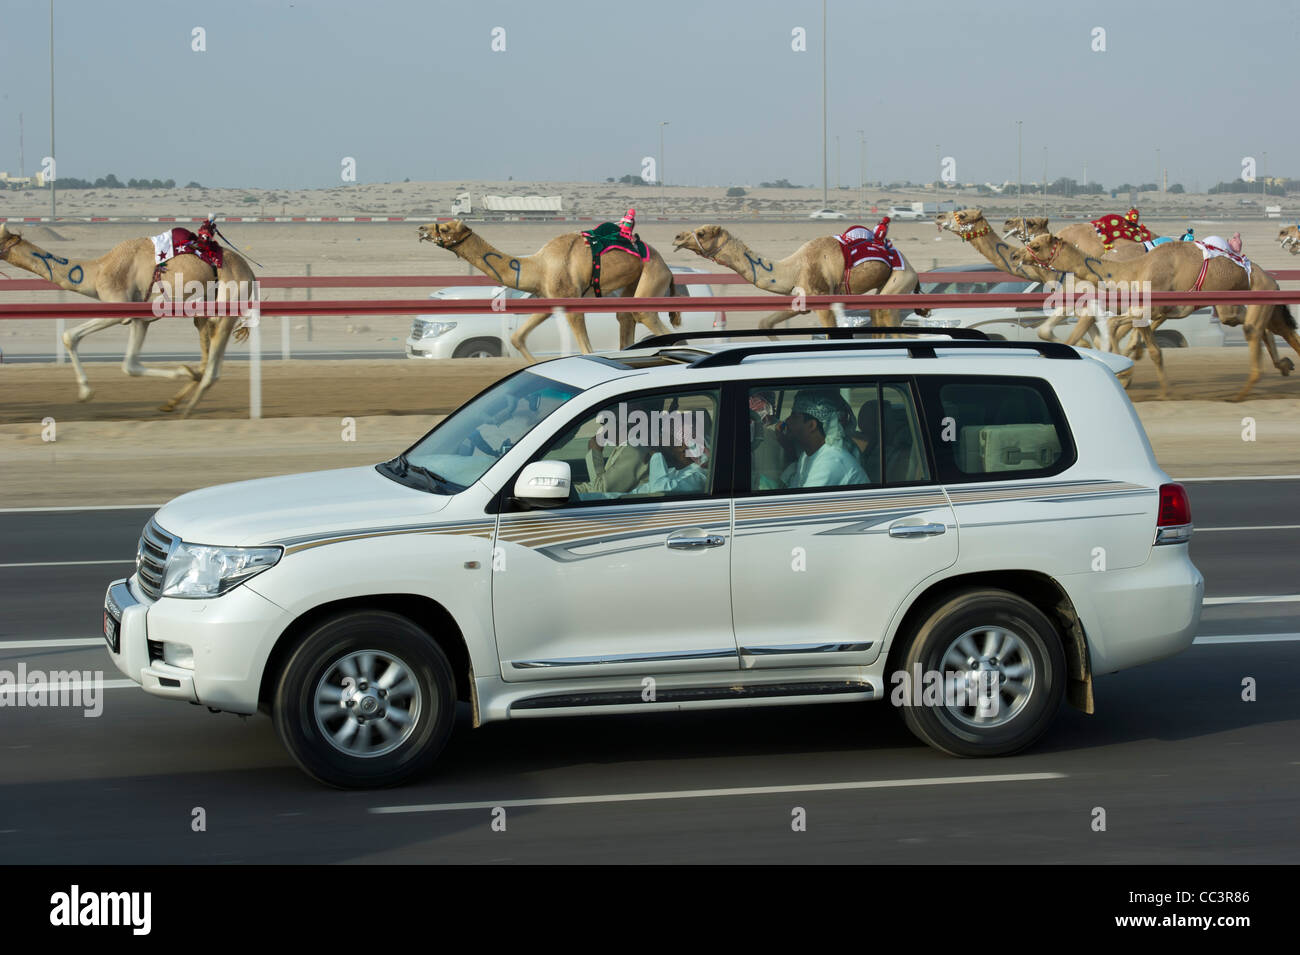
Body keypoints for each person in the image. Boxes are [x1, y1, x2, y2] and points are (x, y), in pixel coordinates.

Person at [779, 390, 869, 489]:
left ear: (811, 425)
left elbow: (804, 503)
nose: (787, 420)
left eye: (794, 416)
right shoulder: (806, 456)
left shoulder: (832, 461)